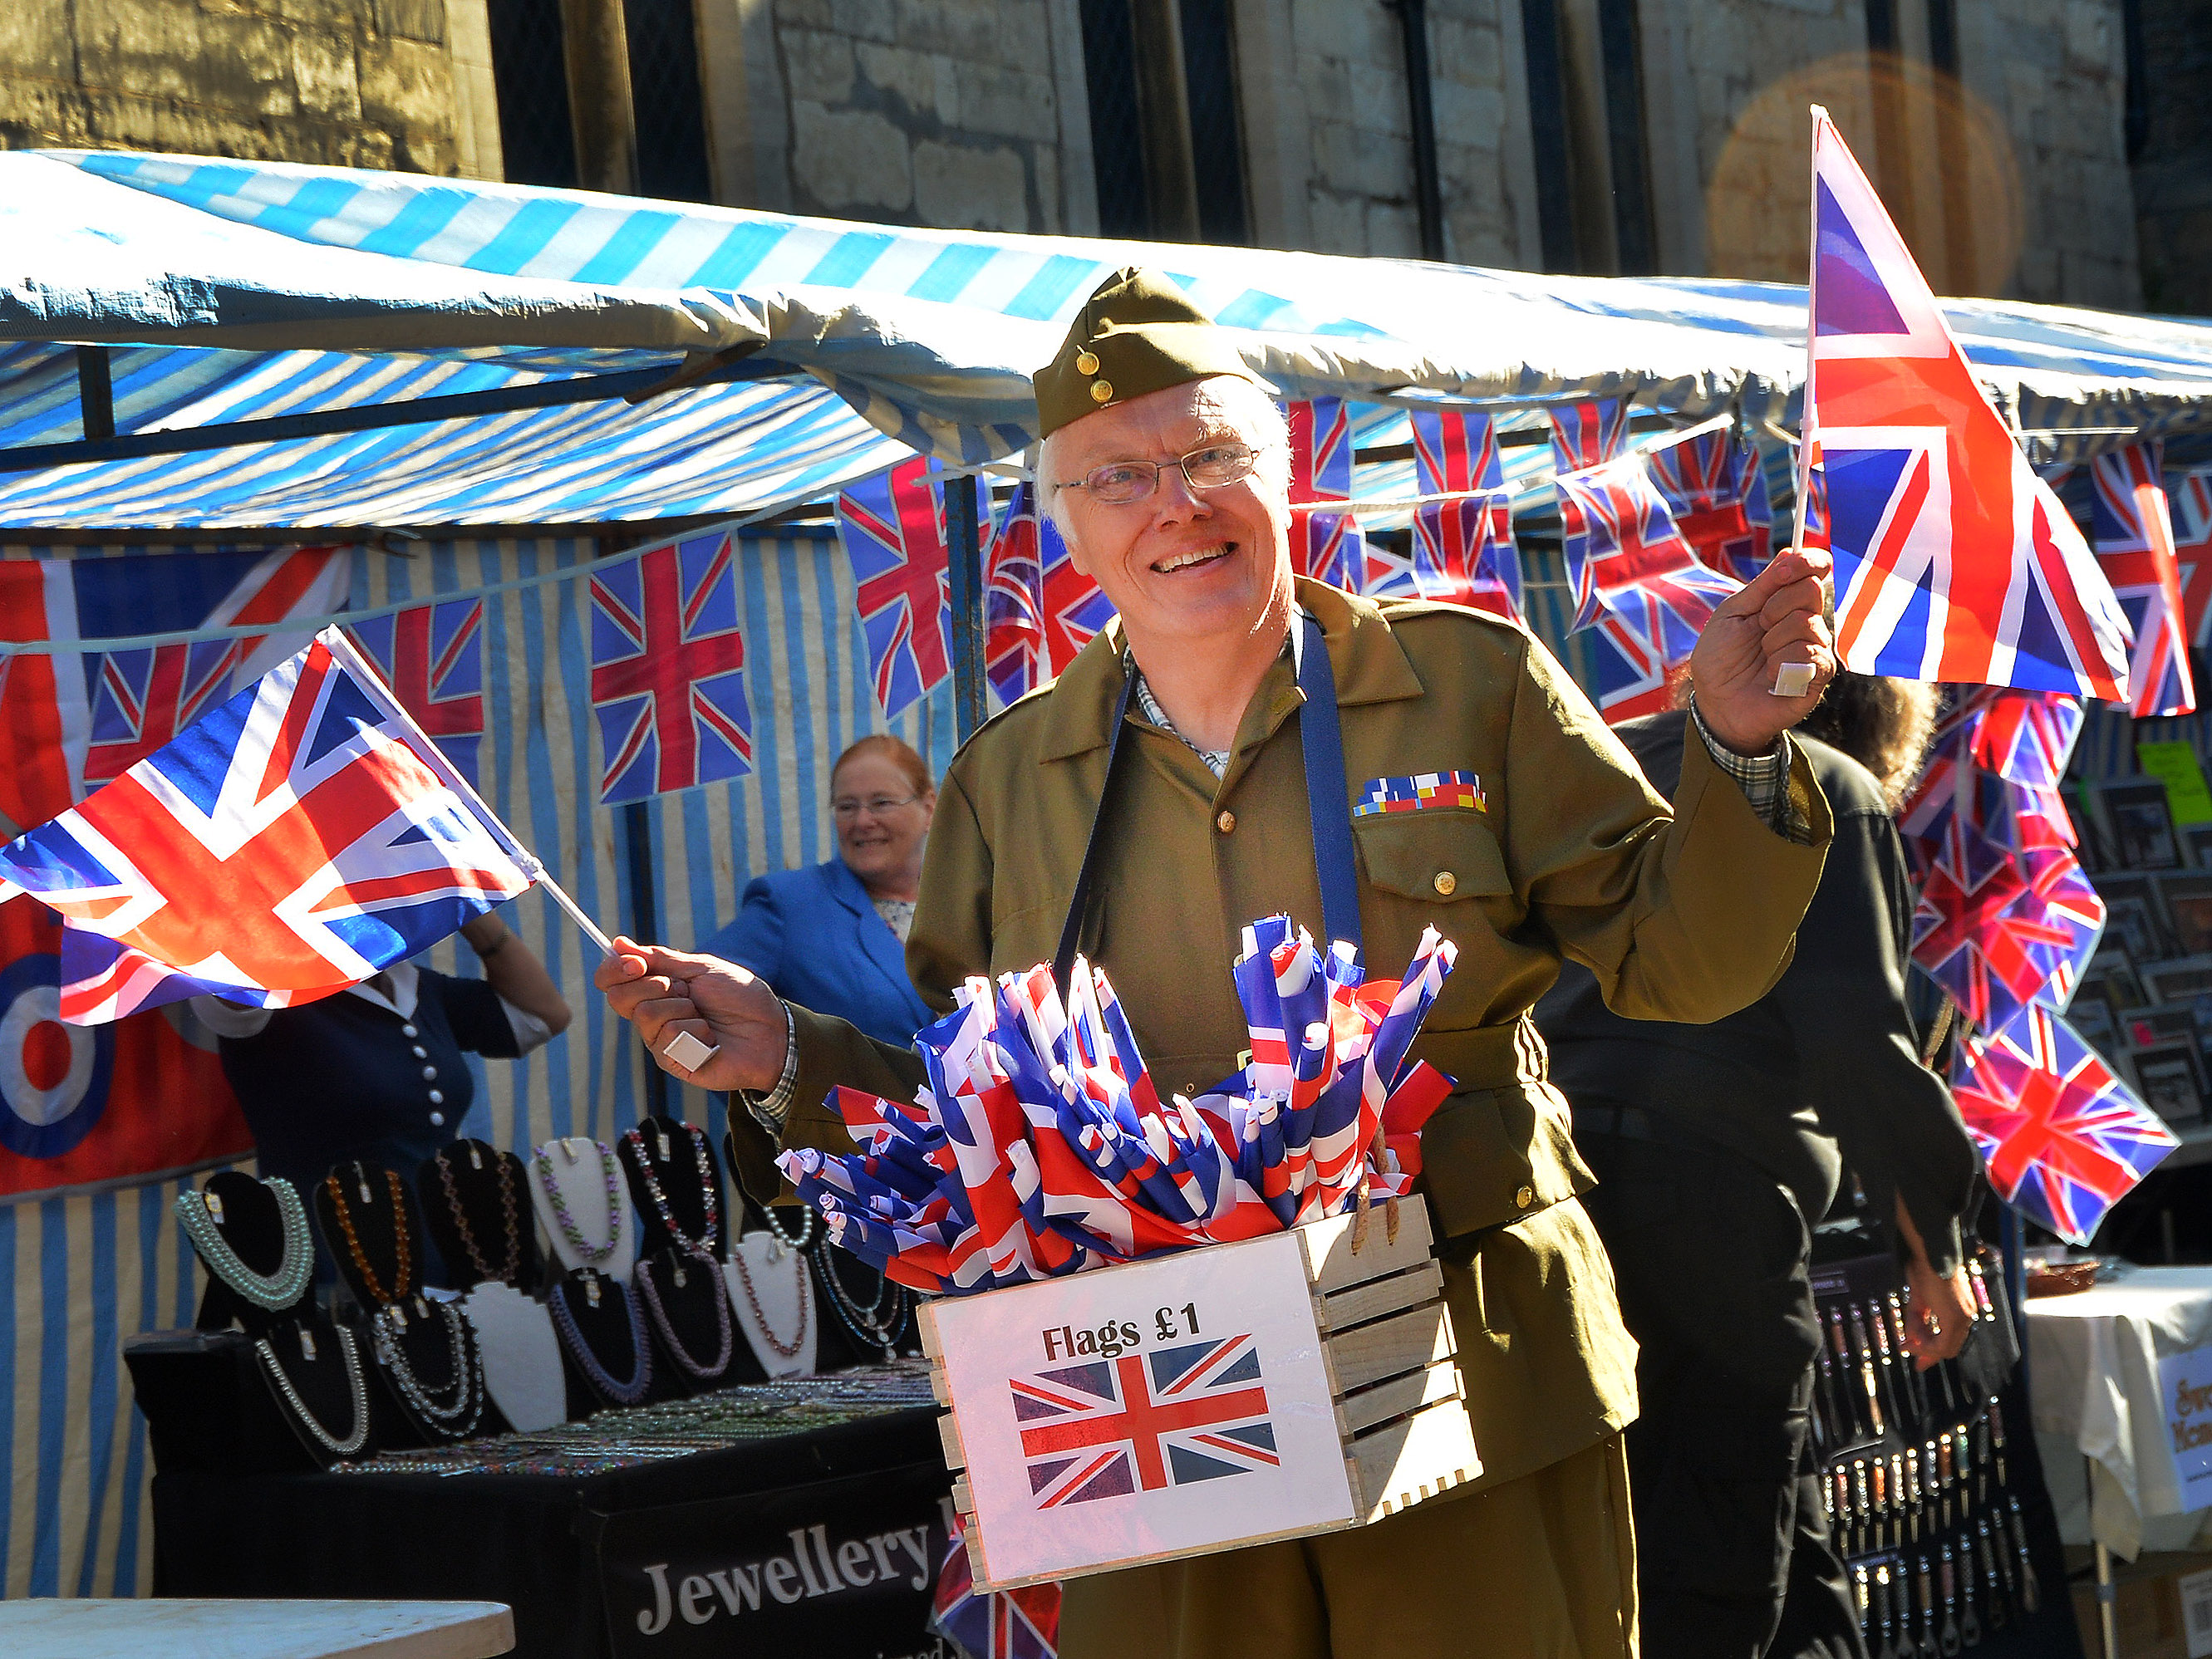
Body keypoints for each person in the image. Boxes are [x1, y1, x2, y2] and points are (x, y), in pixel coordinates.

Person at [597, 268, 1841, 1659]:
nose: (1172, 504)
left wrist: (1735, 748)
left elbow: (1689, 964)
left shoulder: (1468, 683)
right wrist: (789, 1057)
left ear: (1286, 467)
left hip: (1466, 1372)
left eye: (1205, 456)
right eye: (1119, 477)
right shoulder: (1006, 786)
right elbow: (972, 1122)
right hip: (1159, 1406)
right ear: (1066, 527)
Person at [1533, 672, 1982, 1659]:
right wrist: (1934, 1247)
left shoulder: (1611, 759)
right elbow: (1858, 1042)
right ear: (1883, 724)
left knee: (1710, 1533)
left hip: (1553, 1191)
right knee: (1718, 1551)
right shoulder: (1826, 786)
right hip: (1710, 1200)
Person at [191, 906, 571, 1200]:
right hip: (346, 1260)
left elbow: (542, 1016)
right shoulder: (270, 999)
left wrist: (466, 905)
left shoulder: (415, 984)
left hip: (457, 1243)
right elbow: (231, 961)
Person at [700, 734, 935, 1048]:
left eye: (882, 803)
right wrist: (776, 1090)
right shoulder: (790, 905)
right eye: (847, 807)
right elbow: (697, 1006)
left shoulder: (969, 900)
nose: (863, 820)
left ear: (929, 808)